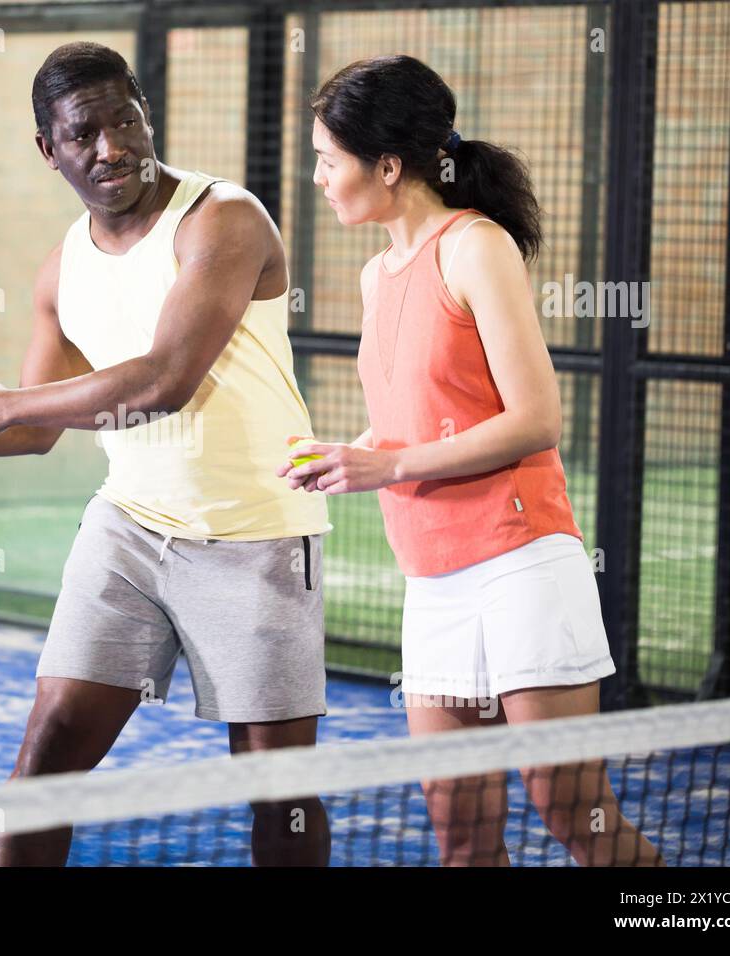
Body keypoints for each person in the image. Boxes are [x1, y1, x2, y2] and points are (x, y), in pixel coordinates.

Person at [0, 42, 332, 866]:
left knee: (276, 794)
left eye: (126, 120)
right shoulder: (61, 271)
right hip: (127, 531)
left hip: (253, 534)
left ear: (146, 116)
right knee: (43, 765)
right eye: (85, 133)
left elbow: (163, 380)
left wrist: (8, 401)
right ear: (50, 151)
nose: (112, 147)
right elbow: (28, 432)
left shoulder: (223, 219)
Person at [280, 54, 663, 866]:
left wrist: (389, 465)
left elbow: (535, 419)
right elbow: (419, 421)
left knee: (574, 816)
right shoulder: (375, 276)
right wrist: (355, 454)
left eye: (327, 159)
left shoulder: (475, 246)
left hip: (520, 564)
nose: (317, 177)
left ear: (386, 166)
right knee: (462, 837)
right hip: (433, 581)